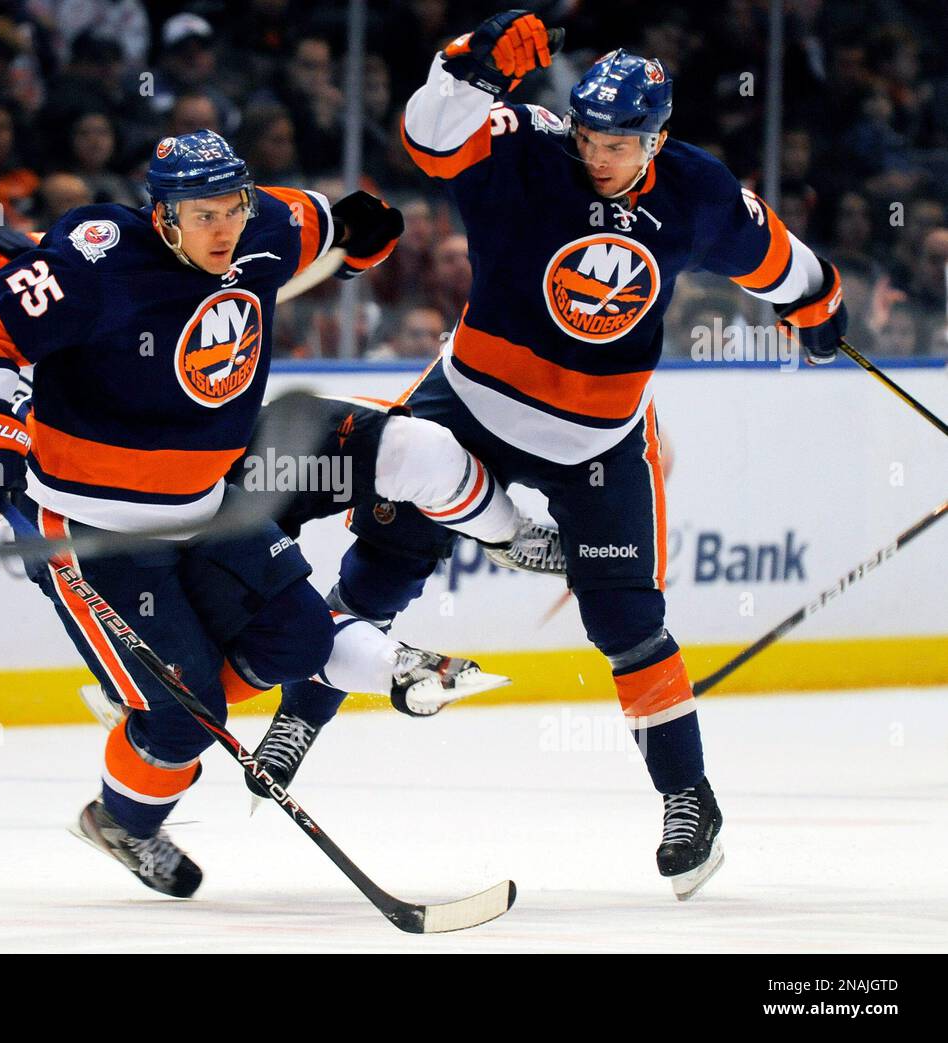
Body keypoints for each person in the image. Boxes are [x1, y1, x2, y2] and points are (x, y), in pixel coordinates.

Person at [0, 146, 523, 900]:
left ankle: (174, 696)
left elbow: (240, 245)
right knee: (182, 726)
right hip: (96, 557)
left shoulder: (54, 326)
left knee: (296, 636)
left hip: (201, 506)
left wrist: (339, 226)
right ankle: (124, 816)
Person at [265, 12, 851, 902]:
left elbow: (774, 256)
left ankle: (688, 799)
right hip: (467, 404)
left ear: (657, 136)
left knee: (629, 627)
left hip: (599, 444)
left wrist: (818, 305)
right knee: (379, 575)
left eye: (620, 143)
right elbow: (429, 135)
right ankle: (295, 725)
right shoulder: (526, 149)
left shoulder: (695, 187)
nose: (598, 153)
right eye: (588, 133)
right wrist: (468, 63)